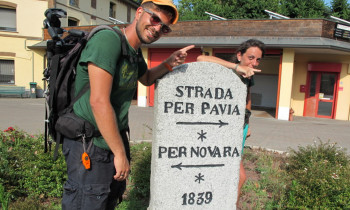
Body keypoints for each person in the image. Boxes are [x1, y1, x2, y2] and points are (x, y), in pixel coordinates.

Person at [61, 1, 195, 209]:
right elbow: (98, 101)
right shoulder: (108, 40)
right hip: (90, 143)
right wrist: (121, 154)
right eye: (155, 19)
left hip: (110, 141)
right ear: (140, 12)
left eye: (165, 27)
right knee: (88, 202)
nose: (158, 28)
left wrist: (169, 62)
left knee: (107, 201)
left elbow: (147, 78)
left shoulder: (133, 52)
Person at [197, 39, 266, 207]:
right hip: (221, 130)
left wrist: (248, 125)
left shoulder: (249, 76)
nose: (254, 63)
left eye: (258, 60)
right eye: (250, 57)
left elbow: (248, 98)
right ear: (239, 55)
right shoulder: (228, 70)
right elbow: (200, 59)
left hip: (239, 129)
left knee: (234, 176)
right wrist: (236, 67)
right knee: (238, 176)